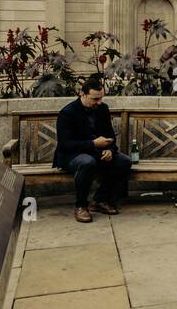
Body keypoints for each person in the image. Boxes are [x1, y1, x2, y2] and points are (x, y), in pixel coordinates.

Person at [53, 75, 131, 222]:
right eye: (95, 99)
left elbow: (110, 137)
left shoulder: (103, 109)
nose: (99, 102)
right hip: (72, 156)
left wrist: (110, 150)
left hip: (97, 152)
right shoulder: (67, 113)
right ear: (82, 94)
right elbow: (65, 144)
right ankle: (81, 206)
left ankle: (100, 200)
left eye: (101, 98)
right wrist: (93, 144)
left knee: (124, 161)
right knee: (87, 162)